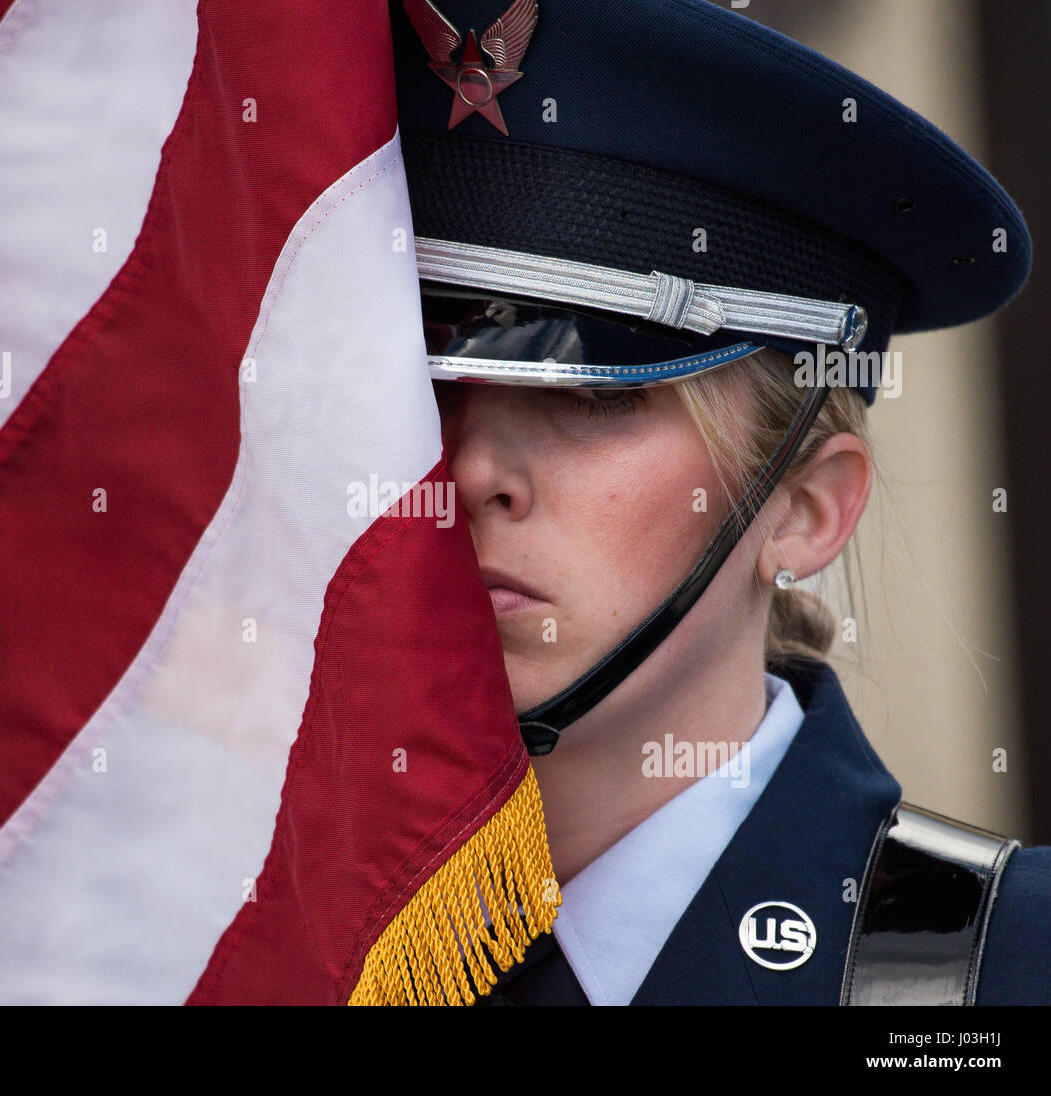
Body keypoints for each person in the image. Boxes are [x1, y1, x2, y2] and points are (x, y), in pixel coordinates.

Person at [392, 0, 1051, 1004]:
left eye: (592, 396)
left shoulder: (1005, 971)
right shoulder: (204, 946)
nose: (473, 468)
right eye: (417, 385)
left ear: (805, 508)